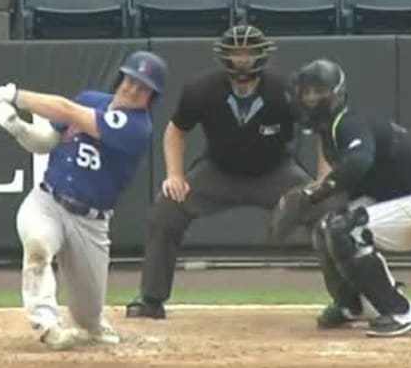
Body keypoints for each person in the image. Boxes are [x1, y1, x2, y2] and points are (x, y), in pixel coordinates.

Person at [0, 51, 165, 349]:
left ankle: (92, 324)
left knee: (88, 318)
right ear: (121, 78)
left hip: (90, 223)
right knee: (38, 247)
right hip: (46, 202)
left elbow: (67, 111)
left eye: (142, 88)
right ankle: (47, 325)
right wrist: (17, 127)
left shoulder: (137, 128)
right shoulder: (91, 99)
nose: (132, 89)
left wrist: (13, 94)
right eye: (130, 81)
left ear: (151, 97)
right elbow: (44, 142)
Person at [125, 25, 311, 319]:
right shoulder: (202, 88)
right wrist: (175, 175)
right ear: (225, 57)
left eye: (248, 52)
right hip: (218, 172)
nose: (242, 59)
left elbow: (323, 132)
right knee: (166, 210)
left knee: (328, 210)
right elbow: (176, 130)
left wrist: (323, 183)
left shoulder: (284, 90)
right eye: (237, 52)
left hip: (275, 172)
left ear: (262, 56)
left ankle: (349, 300)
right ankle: (151, 298)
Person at [286, 59, 411, 337]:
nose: (311, 98)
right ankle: (354, 305)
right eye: (306, 92)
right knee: (327, 228)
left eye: (318, 91)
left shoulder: (348, 123)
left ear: (336, 93)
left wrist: (314, 193)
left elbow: (358, 163)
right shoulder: (330, 131)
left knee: (348, 229)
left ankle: (399, 311)